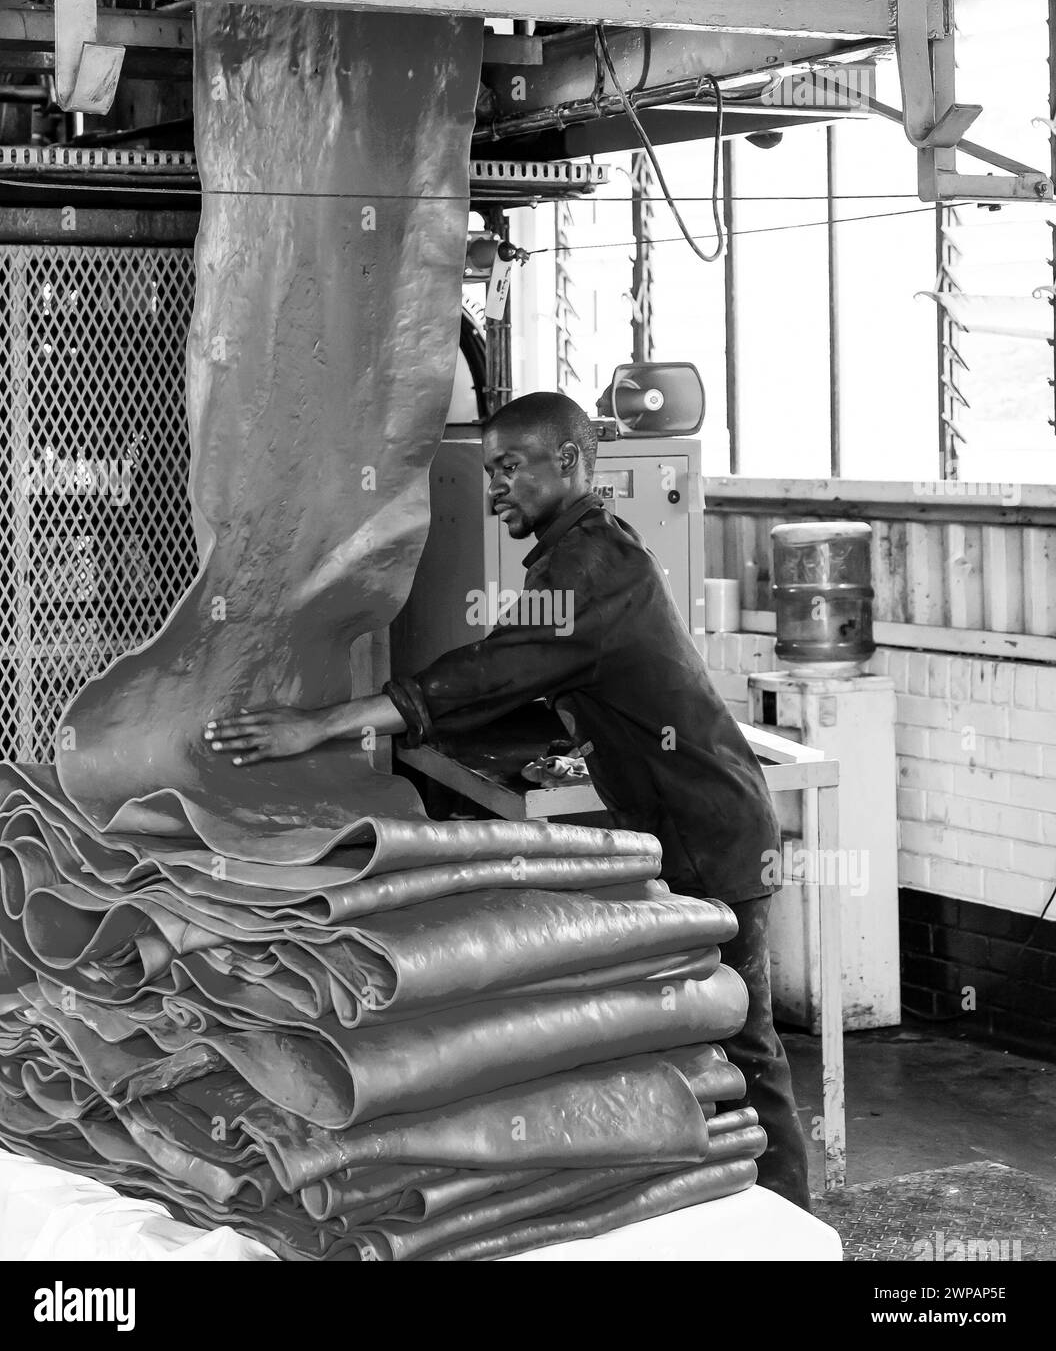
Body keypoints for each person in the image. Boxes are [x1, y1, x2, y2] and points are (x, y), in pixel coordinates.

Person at [205, 390, 812, 1210]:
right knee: (698, 1033)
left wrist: (317, 726)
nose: (495, 488)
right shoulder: (580, 554)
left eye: (510, 468)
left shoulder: (593, 566)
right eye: (489, 469)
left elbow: (495, 668)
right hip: (679, 825)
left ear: (568, 461)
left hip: (711, 833)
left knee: (742, 1042)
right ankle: (732, 1213)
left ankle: (793, 1227)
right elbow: (525, 669)